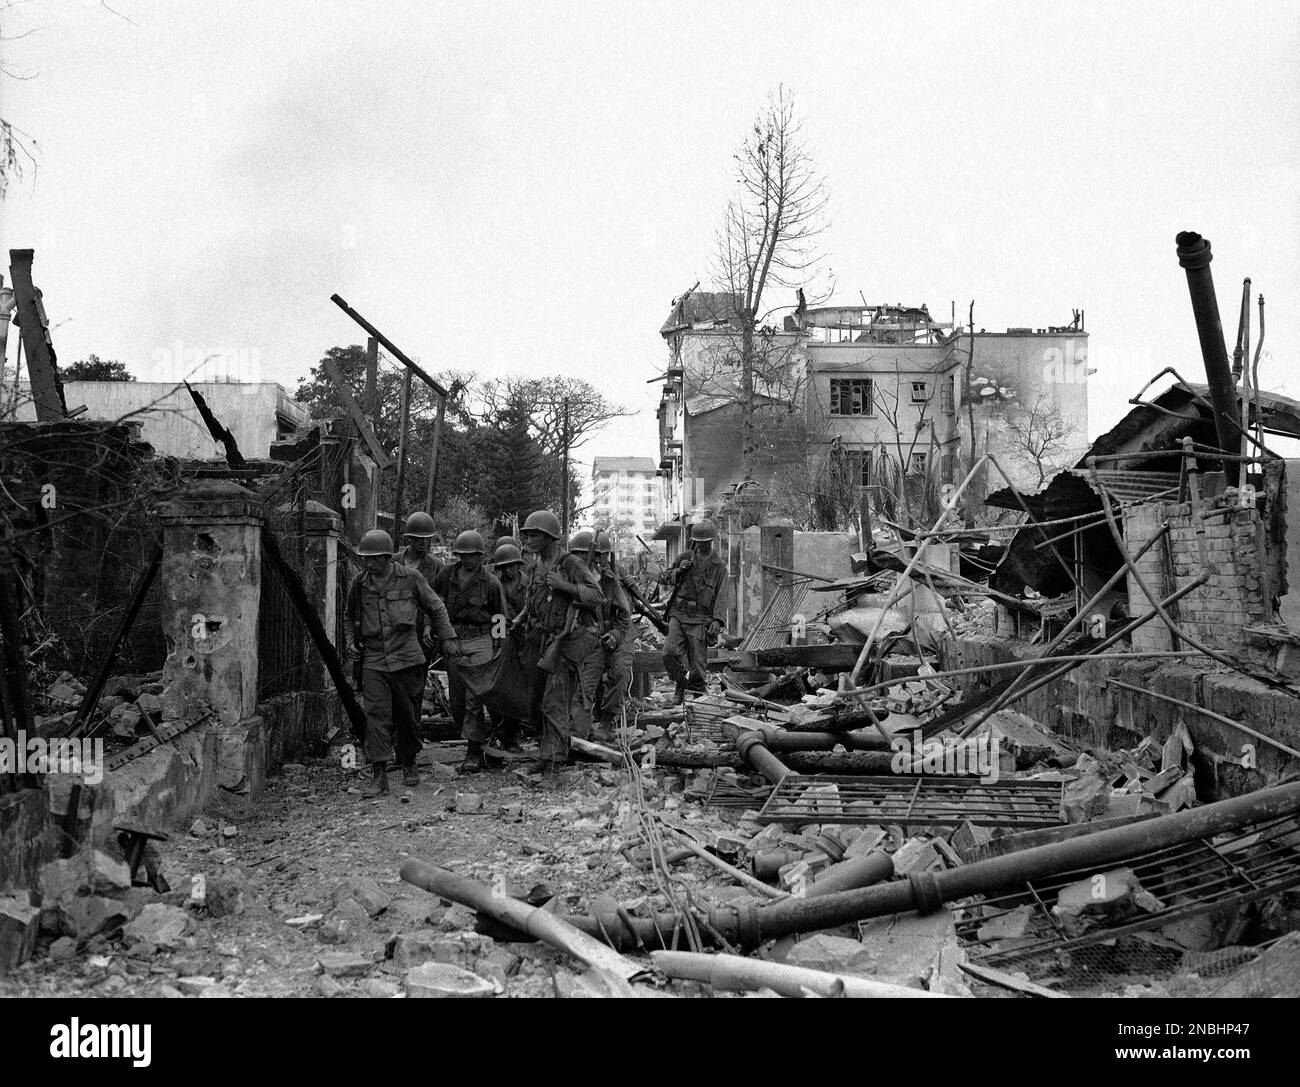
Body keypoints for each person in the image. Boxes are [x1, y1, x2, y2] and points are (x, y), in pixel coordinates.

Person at [344, 529, 460, 796]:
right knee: (376, 715)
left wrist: (448, 638)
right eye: (366, 559)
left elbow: (436, 607)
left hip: (407, 657)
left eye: (374, 559)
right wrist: (351, 641)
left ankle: (409, 762)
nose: (368, 564)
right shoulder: (359, 584)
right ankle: (379, 774)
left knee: (407, 716)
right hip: (373, 659)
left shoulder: (411, 579)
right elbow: (349, 616)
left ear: (387, 557)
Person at [512, 511, 602, 774]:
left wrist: (565, 586)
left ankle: (554, 757)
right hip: (537, 638)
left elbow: (595, 596)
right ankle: (549, 747)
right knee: (534, 701)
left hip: (564, 641)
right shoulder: (534, 565)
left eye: (534, 534)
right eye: (527, 534)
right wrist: (519, 619)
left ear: (549, 537)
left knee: (555, 700)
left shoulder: (570, 564)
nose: (528, 539)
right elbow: (531, 601)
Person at [434, 530, 509, 773]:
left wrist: (498, 648)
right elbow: (435, 605)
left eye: (473, 556)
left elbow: (499, 617)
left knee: (474, 700)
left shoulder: (491, 583)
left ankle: (473, 751)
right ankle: (478, 740)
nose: (468, 560)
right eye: (463, 555)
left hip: (481, 641)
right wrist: (441, 636)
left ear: (480, 556)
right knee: (456, 701)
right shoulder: (446, 576)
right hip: (455, 641)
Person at [661, 519, 729, 703]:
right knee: (669, 651)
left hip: (700, 618)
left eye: (705, 541)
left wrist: (717, 620)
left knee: (698, 663)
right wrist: (678, 572)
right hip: (679, 614)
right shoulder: (685, 558)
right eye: (699, 541)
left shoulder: (719, 566)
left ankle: (698, 694)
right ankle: (680, 685)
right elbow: (665, 577)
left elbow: (722, 595)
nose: (701, 544)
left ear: (711, 541)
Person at [583, 530, 635, 742]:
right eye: (597, 555)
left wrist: (615, 633)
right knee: (584, 681)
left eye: (605, 555)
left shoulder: (613, 577)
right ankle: (581, 726)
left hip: (619, 632)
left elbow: (625, 614)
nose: (601, 560)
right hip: (591, 637)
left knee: (621, 672)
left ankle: (606, 722)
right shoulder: (576, 578)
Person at [396, 510, 449, 713]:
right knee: (394, 679)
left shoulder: (438, 567)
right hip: (395, 630)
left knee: (416, 681)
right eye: (418, 539)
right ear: (409, 538)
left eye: (427, 539)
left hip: (422, 633)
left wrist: (431, 627)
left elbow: (440, 602)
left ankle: (412, 729)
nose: (423, 543)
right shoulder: (394, 562)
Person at [488, 542, 528, 750]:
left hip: (524, 641)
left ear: (518, 565)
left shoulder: (529, 584)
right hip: (504, 642)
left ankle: (514, 735)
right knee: (499, 690)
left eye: (511, 565)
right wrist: (498, 640)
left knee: (519, 691)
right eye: (503, 567)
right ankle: (502, 734)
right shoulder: (495, 585)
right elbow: (495, 614)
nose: (507, 570)